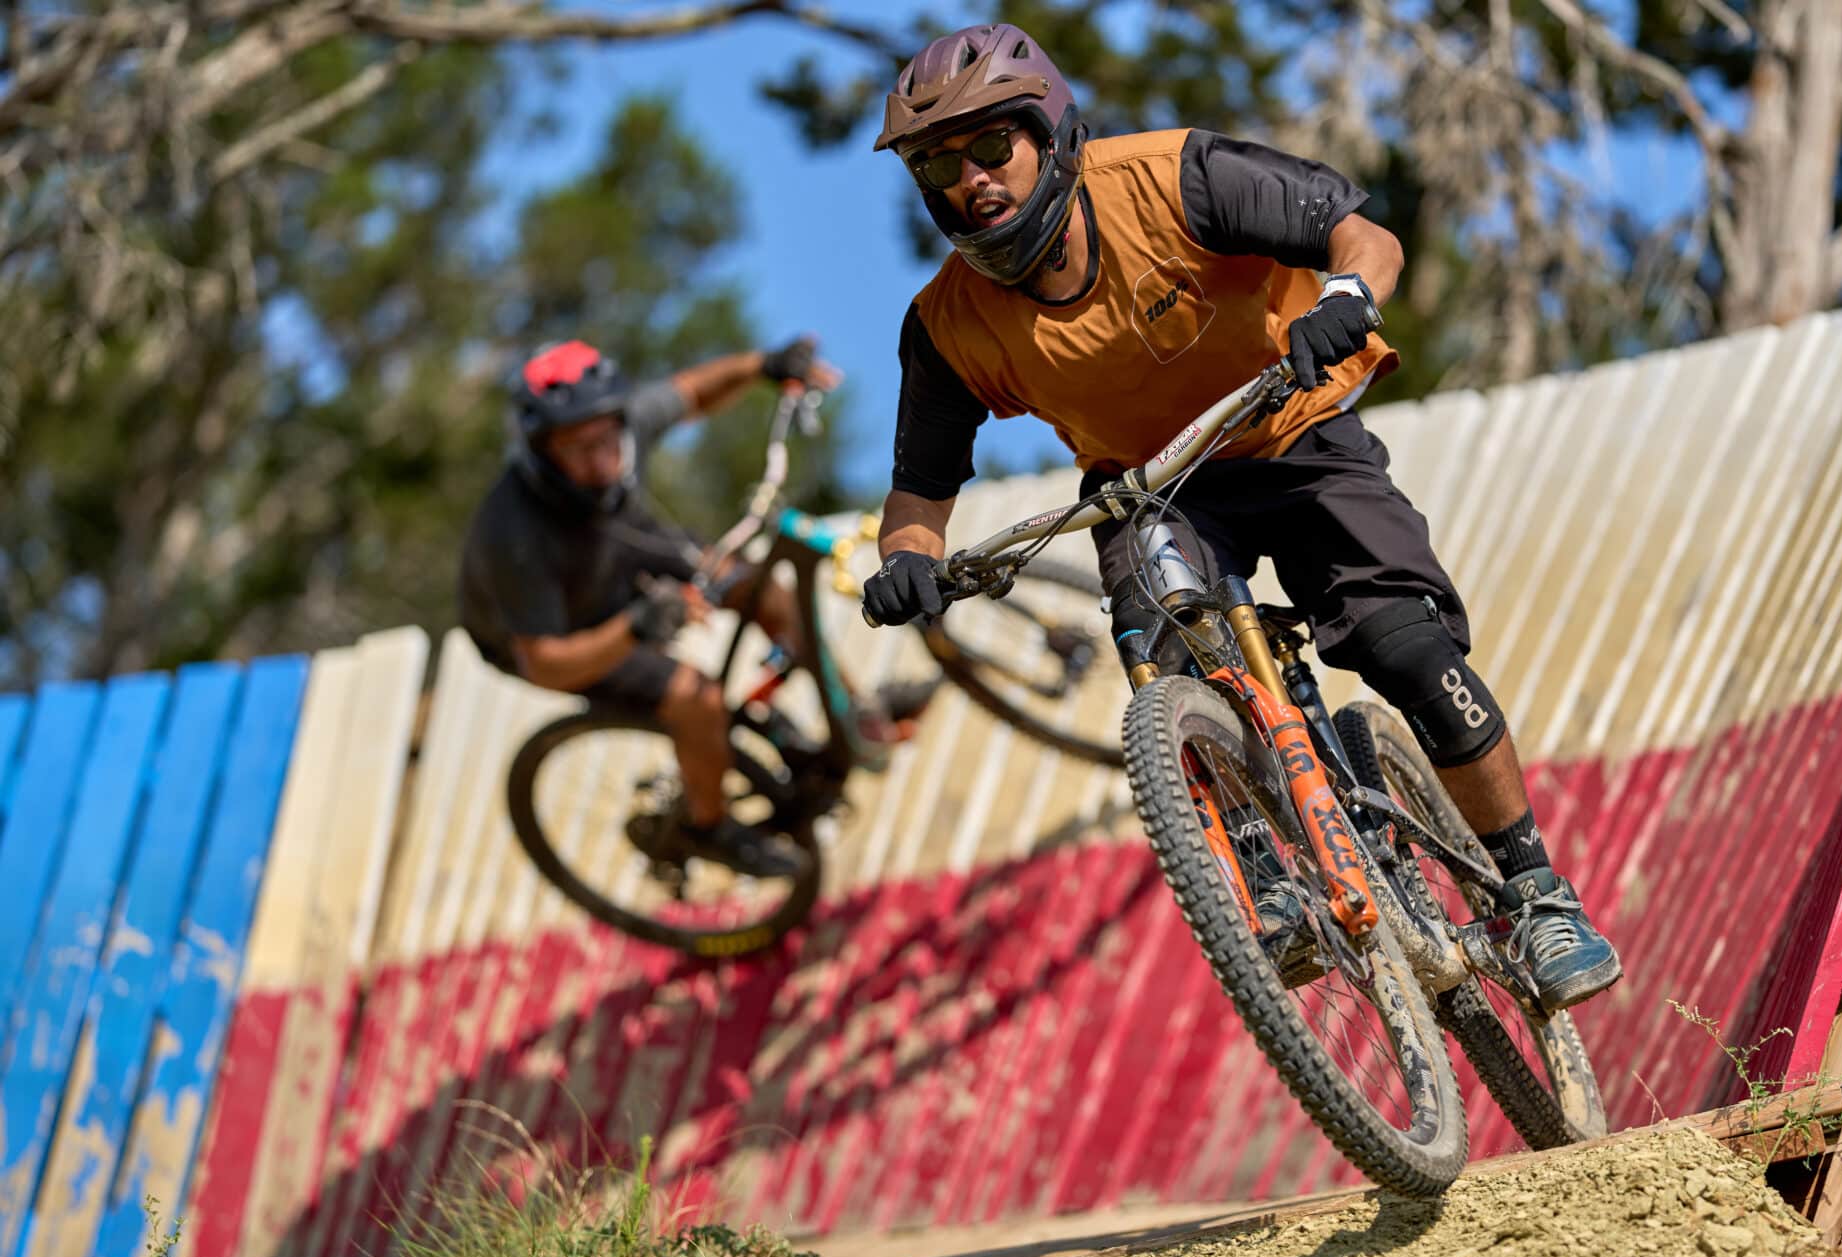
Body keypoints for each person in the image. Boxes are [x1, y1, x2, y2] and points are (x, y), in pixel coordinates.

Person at [857, 24, 1621, 1011]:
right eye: (935, 165)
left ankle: (1534, 892)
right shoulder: (945, 324)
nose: (967, 181)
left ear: (1048, 135)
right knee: (1163, 648)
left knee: (1406, 653)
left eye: (986, 149)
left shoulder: (1173, 178)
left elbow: (1363, 237)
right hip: (1148, 486)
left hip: (1288, 435)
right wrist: (906, 559)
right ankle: (1262, 872)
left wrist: (1345, 298)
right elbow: (918, 492)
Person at [458, 335, 847, 878]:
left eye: (607, 439)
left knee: (764, 592)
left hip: (622, 552)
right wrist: (633, 629)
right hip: (563, 633)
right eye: (580, 449)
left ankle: (849, 721)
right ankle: (707, 827)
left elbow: (692, 392)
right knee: (698, 700)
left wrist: (762, 364)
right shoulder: (513, 534)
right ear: (542, 452)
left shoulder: (617, 427)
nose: (603, 460)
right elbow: (542, 661)